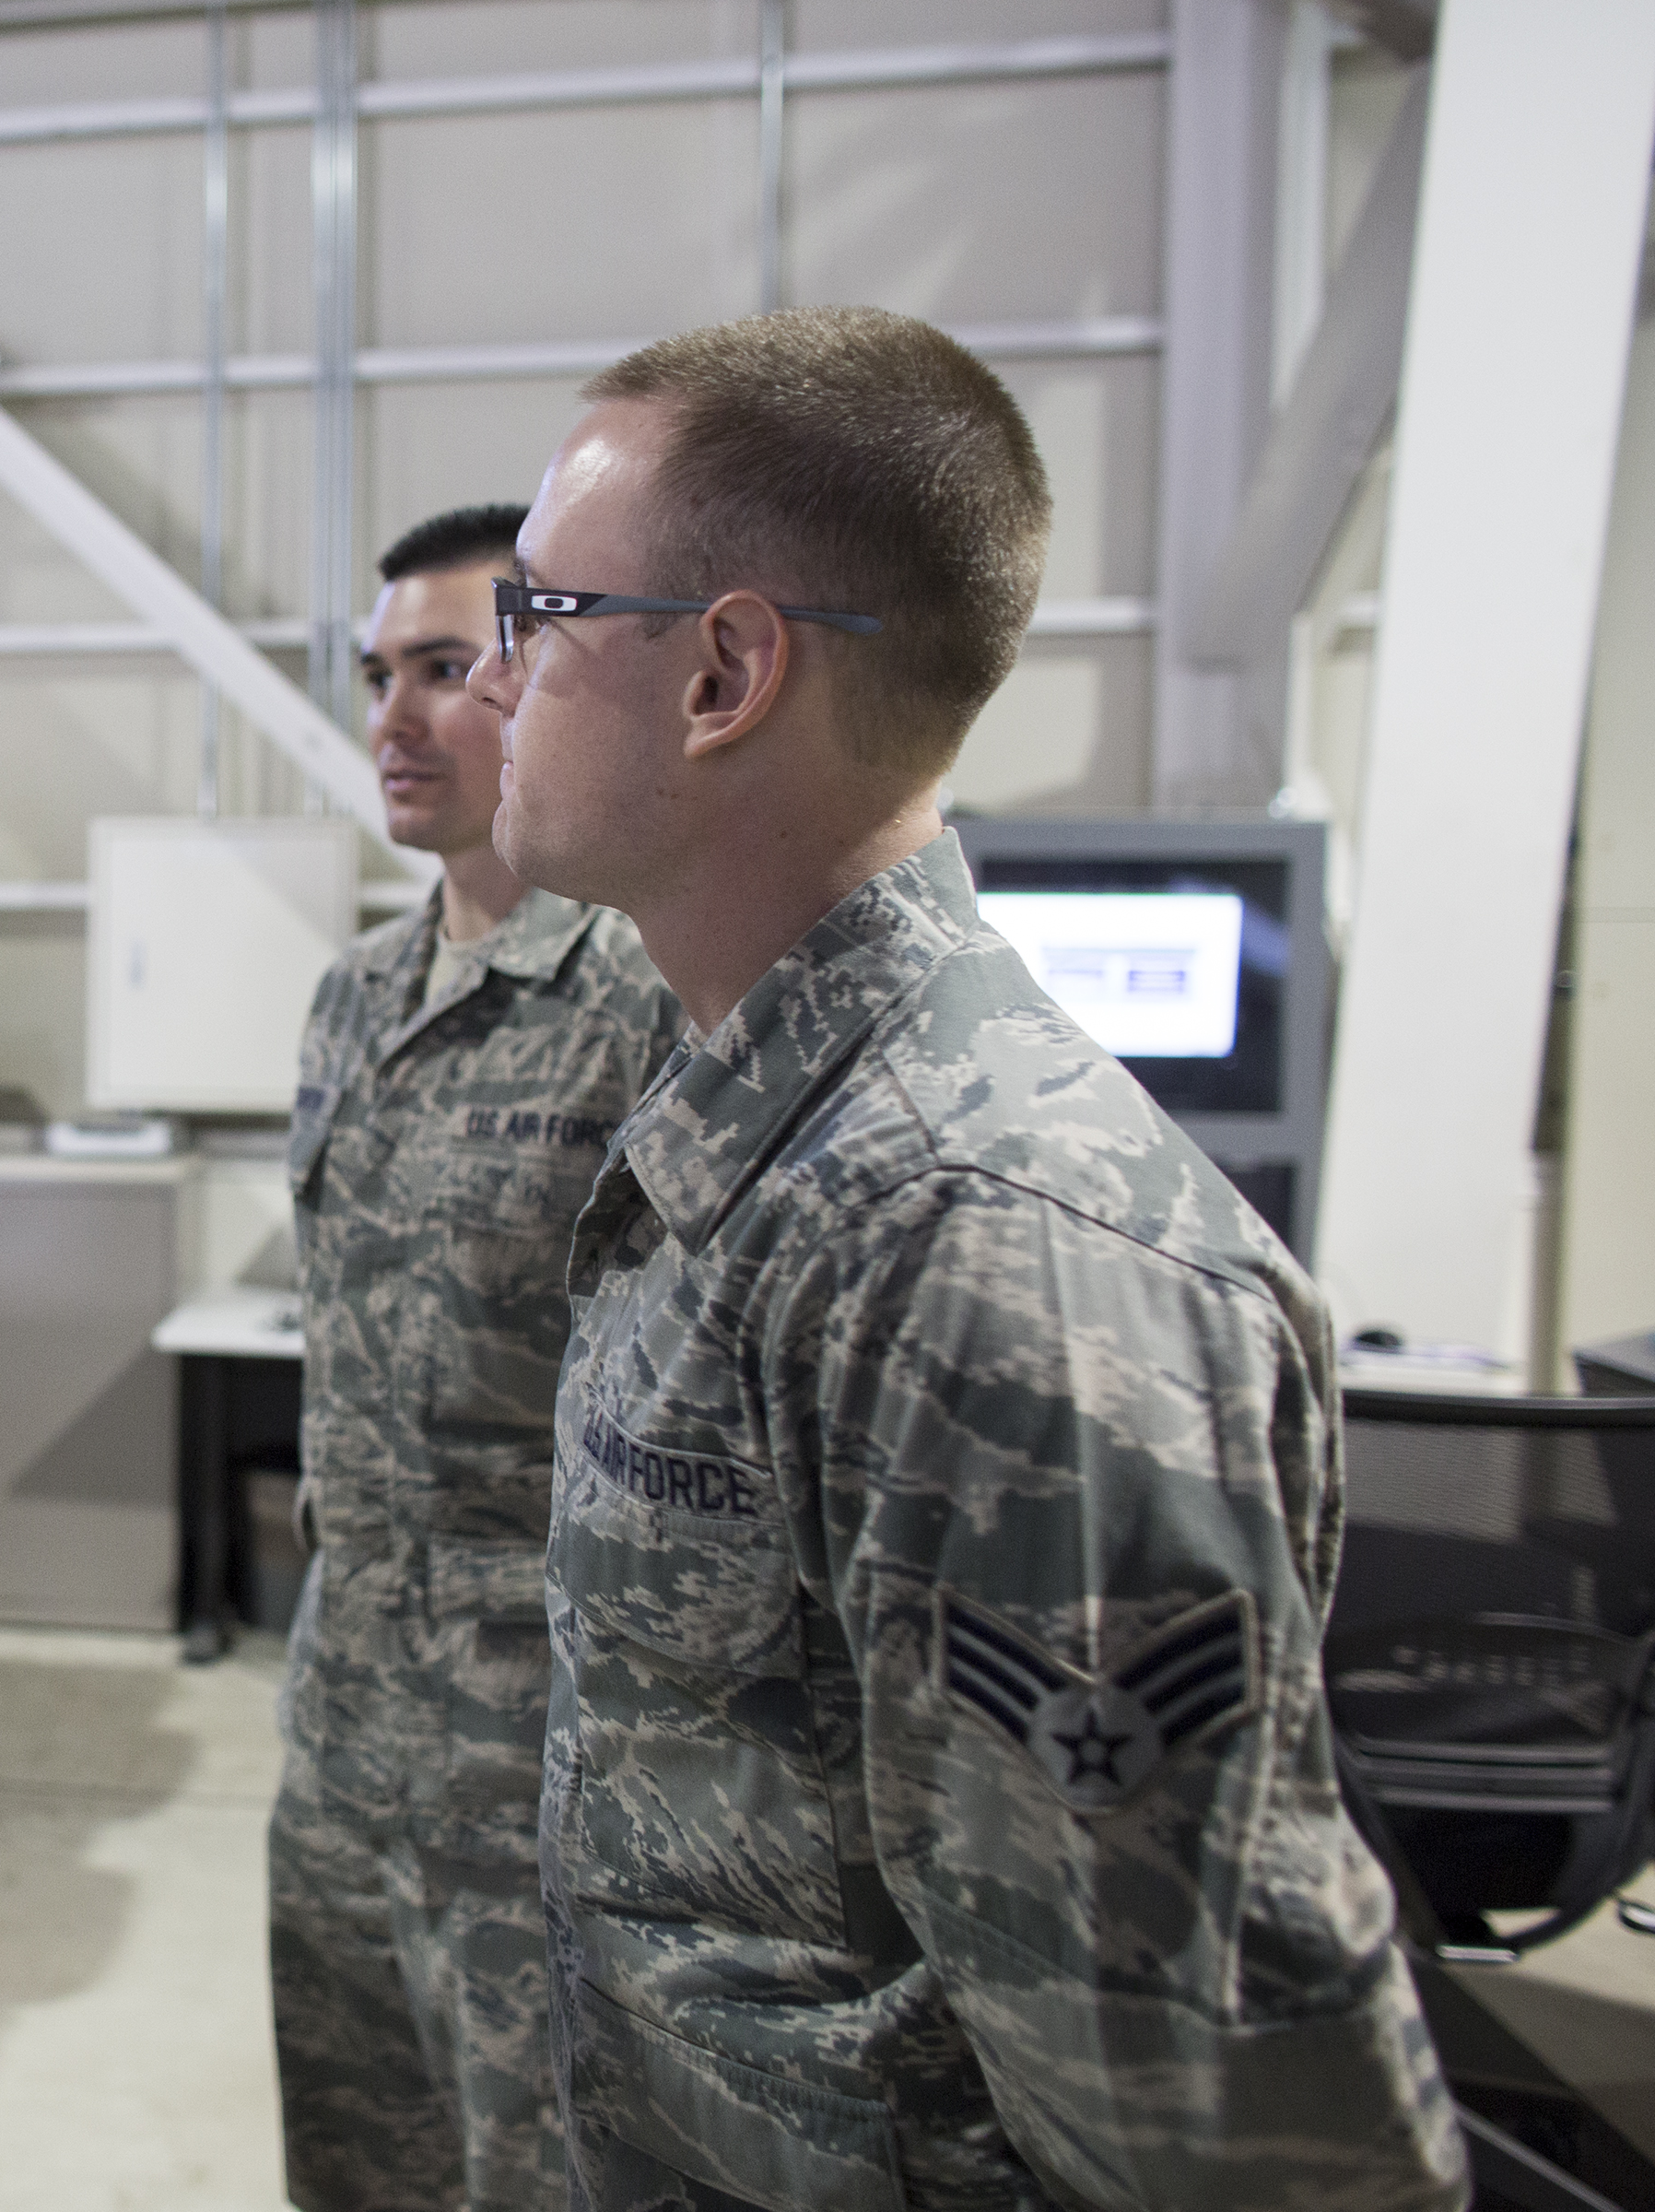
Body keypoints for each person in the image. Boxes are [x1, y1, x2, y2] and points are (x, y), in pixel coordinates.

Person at [473, 303, 1464, 2210]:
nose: (500, 678)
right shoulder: (755, 1124)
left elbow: (1198, 2107)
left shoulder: (986, 1248)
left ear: (724, 673)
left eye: (540, 617)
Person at [270, 505, 681, 2211]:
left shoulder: (646, 997)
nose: (395, 716)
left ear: (538, 681)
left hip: (542, 1766)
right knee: (355, 2164)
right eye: (379, 675)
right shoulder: (350, 1000)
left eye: (446, 669)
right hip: (338, 1727)